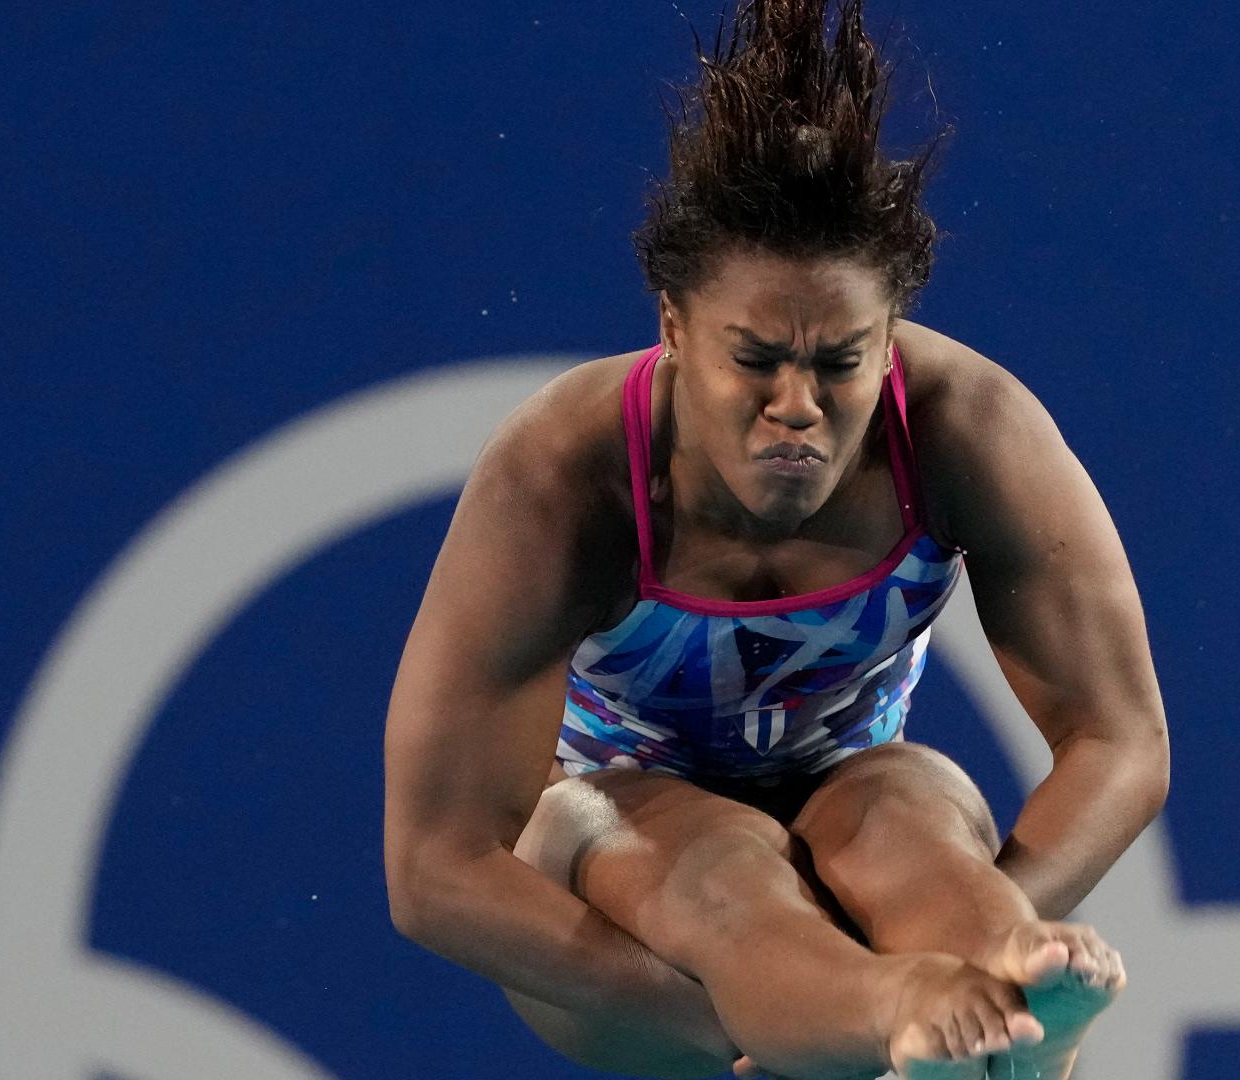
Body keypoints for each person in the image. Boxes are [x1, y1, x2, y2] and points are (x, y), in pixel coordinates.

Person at [383, 1, 1169, 1076]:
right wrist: (726, 1020)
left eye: (842, 363)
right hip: (618, 889)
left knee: (917, 813)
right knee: (723, 873)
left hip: (861, 812)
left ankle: (999, 991)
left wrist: (982, 950)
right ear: (672, 329)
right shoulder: (564, 475)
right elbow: (437, 867)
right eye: (755, 360)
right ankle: (892, 1003)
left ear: (888, 338)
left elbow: (1121, 744)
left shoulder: (969, 428)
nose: (796, 404)